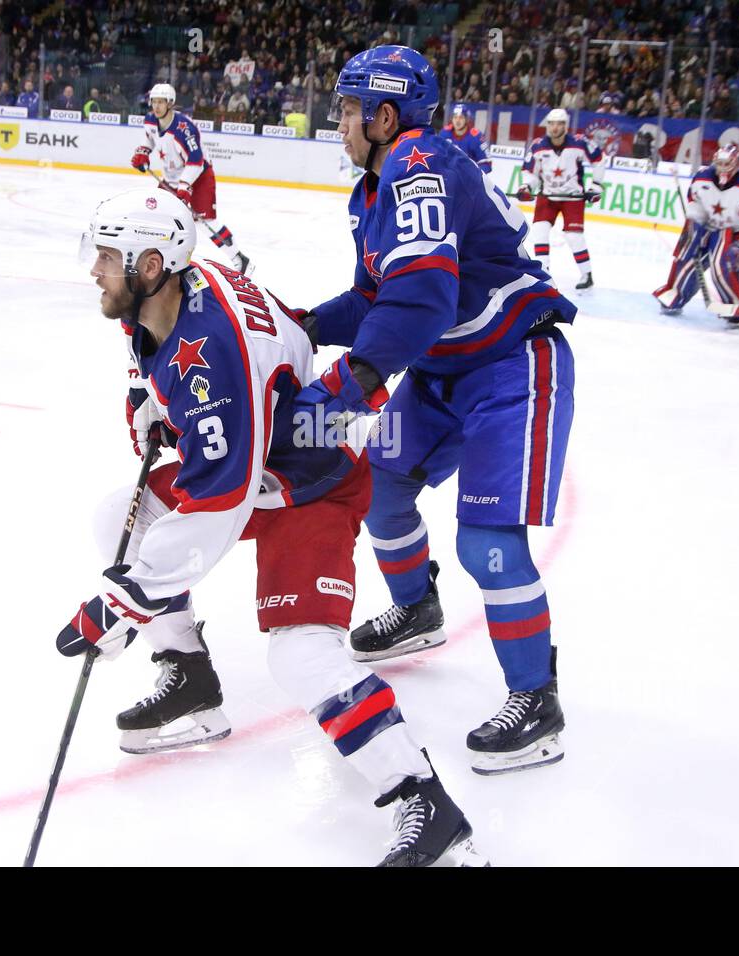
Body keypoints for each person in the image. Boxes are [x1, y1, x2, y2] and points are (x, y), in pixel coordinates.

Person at [58, 186, 485, 867]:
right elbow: (183, 373)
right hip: (260, 462)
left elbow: (217, 504)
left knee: (300, 655)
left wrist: (121, 604)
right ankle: (191, 678)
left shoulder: (213, 354)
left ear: (147, 266)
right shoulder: (177, 289)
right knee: (122, 515)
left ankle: (424, 802)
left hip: (313, 487)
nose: (94, 270)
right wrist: (151, 399)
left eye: (106, 257)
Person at [295, 45, 576, 777]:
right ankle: (417, 611)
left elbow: (420, 299)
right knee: (383, 488)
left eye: (352, 109)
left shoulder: (419, 164)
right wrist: (304, 323)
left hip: (510, 366)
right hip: (445, 369)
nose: (342, 122)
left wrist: (345, 385)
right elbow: (374, 299)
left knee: (487, 543)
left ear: (387, 116)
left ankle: (536, 701)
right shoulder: (377, 185)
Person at [132, 82, 249, 274]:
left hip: (199, 176)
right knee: (159, 215)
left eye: (161, 102)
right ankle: (161, 260)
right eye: (154, 102)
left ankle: (239, 259)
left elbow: (196, 161)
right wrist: (143, 152)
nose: (156, 106)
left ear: (170, 103)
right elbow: (149, 140)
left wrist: (185, 187)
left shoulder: (184, 129)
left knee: (205, 222)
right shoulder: (151, 121)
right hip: (171, 179)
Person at [652, 143, 739, 322]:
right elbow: (696, 204)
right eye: (719, 163)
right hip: (705, 226)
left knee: (723, 265)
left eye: (726, 163)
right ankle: (675, 296)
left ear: (736, 164)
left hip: (734, 232)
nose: (722, 168)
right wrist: (695, 226)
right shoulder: (702, 178)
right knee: (687, 258)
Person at [517, 108, 606, 291]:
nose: (554, 127)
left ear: (565, 126)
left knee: (574, 237)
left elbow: (599, 160)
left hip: (572, 198)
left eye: (559, 124)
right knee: (540, 232)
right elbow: (530, 172)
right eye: (551, 124)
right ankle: (544, 273)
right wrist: (526, 187)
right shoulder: (537, 145)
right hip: (547, 196)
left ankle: (586, 274)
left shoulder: (580, 143)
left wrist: (596, 186)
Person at [437, 103, 491, 173]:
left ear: (467, 119)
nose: (457, 121)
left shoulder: (476, 136)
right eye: (455, 117)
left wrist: (473, 175)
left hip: (469, 177)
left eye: (461, 117)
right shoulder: (444, 133)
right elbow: (437, 156)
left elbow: (486, 164)